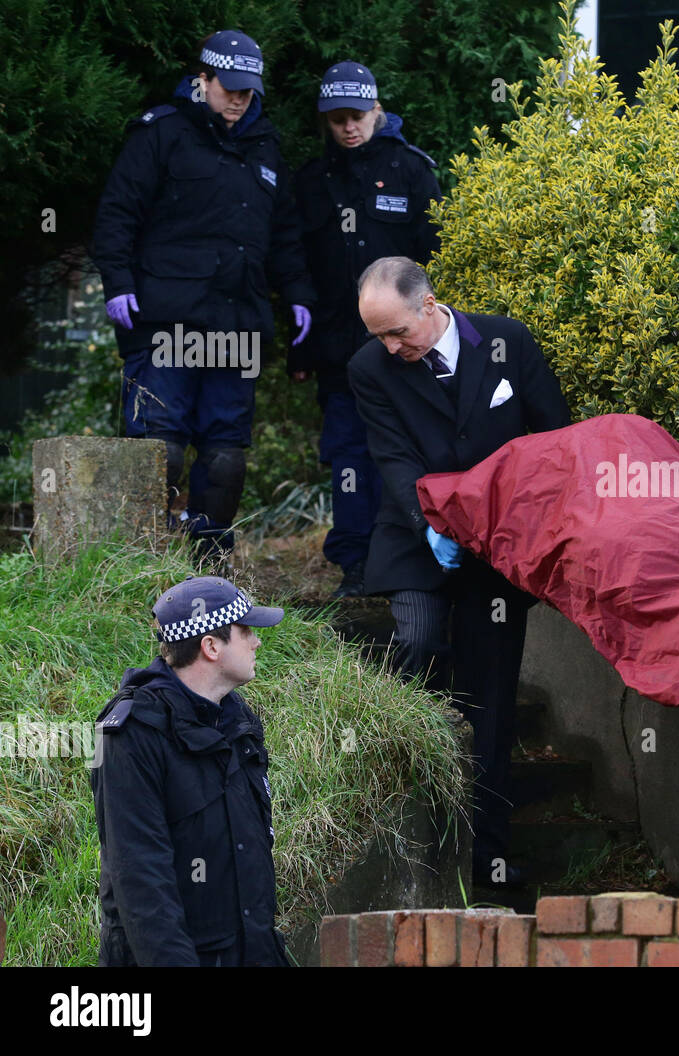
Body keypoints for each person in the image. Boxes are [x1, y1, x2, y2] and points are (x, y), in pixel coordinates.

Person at [348, 256, 570, 885]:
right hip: (416, 533)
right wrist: (430, 525)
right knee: (416, 641)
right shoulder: (370, 368)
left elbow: (554, 438)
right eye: (380, 337)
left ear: (429, 305)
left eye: (399, 333)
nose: (392, 348)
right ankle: (400, 810)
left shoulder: (507, 340)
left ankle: (488, 863)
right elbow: (391, 456)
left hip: (498, 546)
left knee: (492, 705)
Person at [92, 30, 315, 559]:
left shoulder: (266, 146)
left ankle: (208, 567)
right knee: (159, 451)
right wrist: (118, 283)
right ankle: (139, 563)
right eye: (229, 87)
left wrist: (299, 293)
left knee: (225, 457)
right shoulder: (161, 132)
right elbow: (117, 214)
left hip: (236, 325)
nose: (239, 99)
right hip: (168, 321)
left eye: (248, 91)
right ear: (203, 79)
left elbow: (284, 235)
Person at [292, 62, 444, 598]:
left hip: (406, 347)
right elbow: (298, 264)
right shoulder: (311, 180)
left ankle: (408, 561)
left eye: (357, 116)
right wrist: (300, 340)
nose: (349, 128)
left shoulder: (411, 170)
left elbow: (441, 256)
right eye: (337, 120)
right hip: (338, 348)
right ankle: (355, 568)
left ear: (377, 108)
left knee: (407, 451)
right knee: (349, 457)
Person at [92, 575, 289, 967]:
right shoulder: (129, 734)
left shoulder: (238, 719)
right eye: (246, 630)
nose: (257, 641)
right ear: (211, 646)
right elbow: (141, 882)